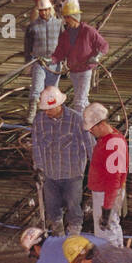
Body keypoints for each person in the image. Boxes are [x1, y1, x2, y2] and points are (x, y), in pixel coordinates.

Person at [30, 86, 95, 236]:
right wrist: (38, 168)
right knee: (52, 205)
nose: (46, 111)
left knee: (73, 204)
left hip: (73, 173)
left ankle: (74, 230)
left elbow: (90, 144)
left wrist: (96, 166)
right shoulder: (39, 120)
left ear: (59, 104)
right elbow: (37, 146)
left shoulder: (77, 119)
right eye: (45, 108)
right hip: (49, 173)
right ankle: (57, 228)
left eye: (50, 108)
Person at [51, 4, 108, 111]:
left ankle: (81, 126)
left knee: (79, 101)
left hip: (85, 70)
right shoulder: (65, 35)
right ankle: (92, 118)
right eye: (65, 17)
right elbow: (60, 52)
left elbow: (103, 45)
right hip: (73, 71)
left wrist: (97, 56)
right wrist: (51, 60)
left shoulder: (88, 31)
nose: (65, 20)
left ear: (74, 17)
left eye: (67, 17)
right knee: (83, 100)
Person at [84, 102, 126, 247]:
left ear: (100, 124)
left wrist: (107, 209)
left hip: (107, 195)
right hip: (104, 194)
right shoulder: (106, 139)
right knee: (110, 230)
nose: (90, 132)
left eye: (91, 128)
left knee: (107, 234)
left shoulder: (113, 144)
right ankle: (118, 257)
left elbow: (114, 181)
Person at [19, 225, 105, 263]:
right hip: (108, 248)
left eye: (33, 255)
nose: (36, 258)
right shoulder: (66, 238)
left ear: (36, 247)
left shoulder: (44, 260)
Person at [23, 0, 63, 123]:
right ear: (38, 11)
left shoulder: (59, 24)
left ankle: (52, 114)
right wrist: (28, 63)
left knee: (52, 91)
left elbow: (64, 43)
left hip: (54, 63)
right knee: (36, 89)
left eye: (46, 9)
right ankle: (32, 114)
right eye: (41, 10)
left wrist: (65, 59)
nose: (44, 12)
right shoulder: (32, 26)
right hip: (38, 62)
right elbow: (27, 46)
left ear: (50, 9)